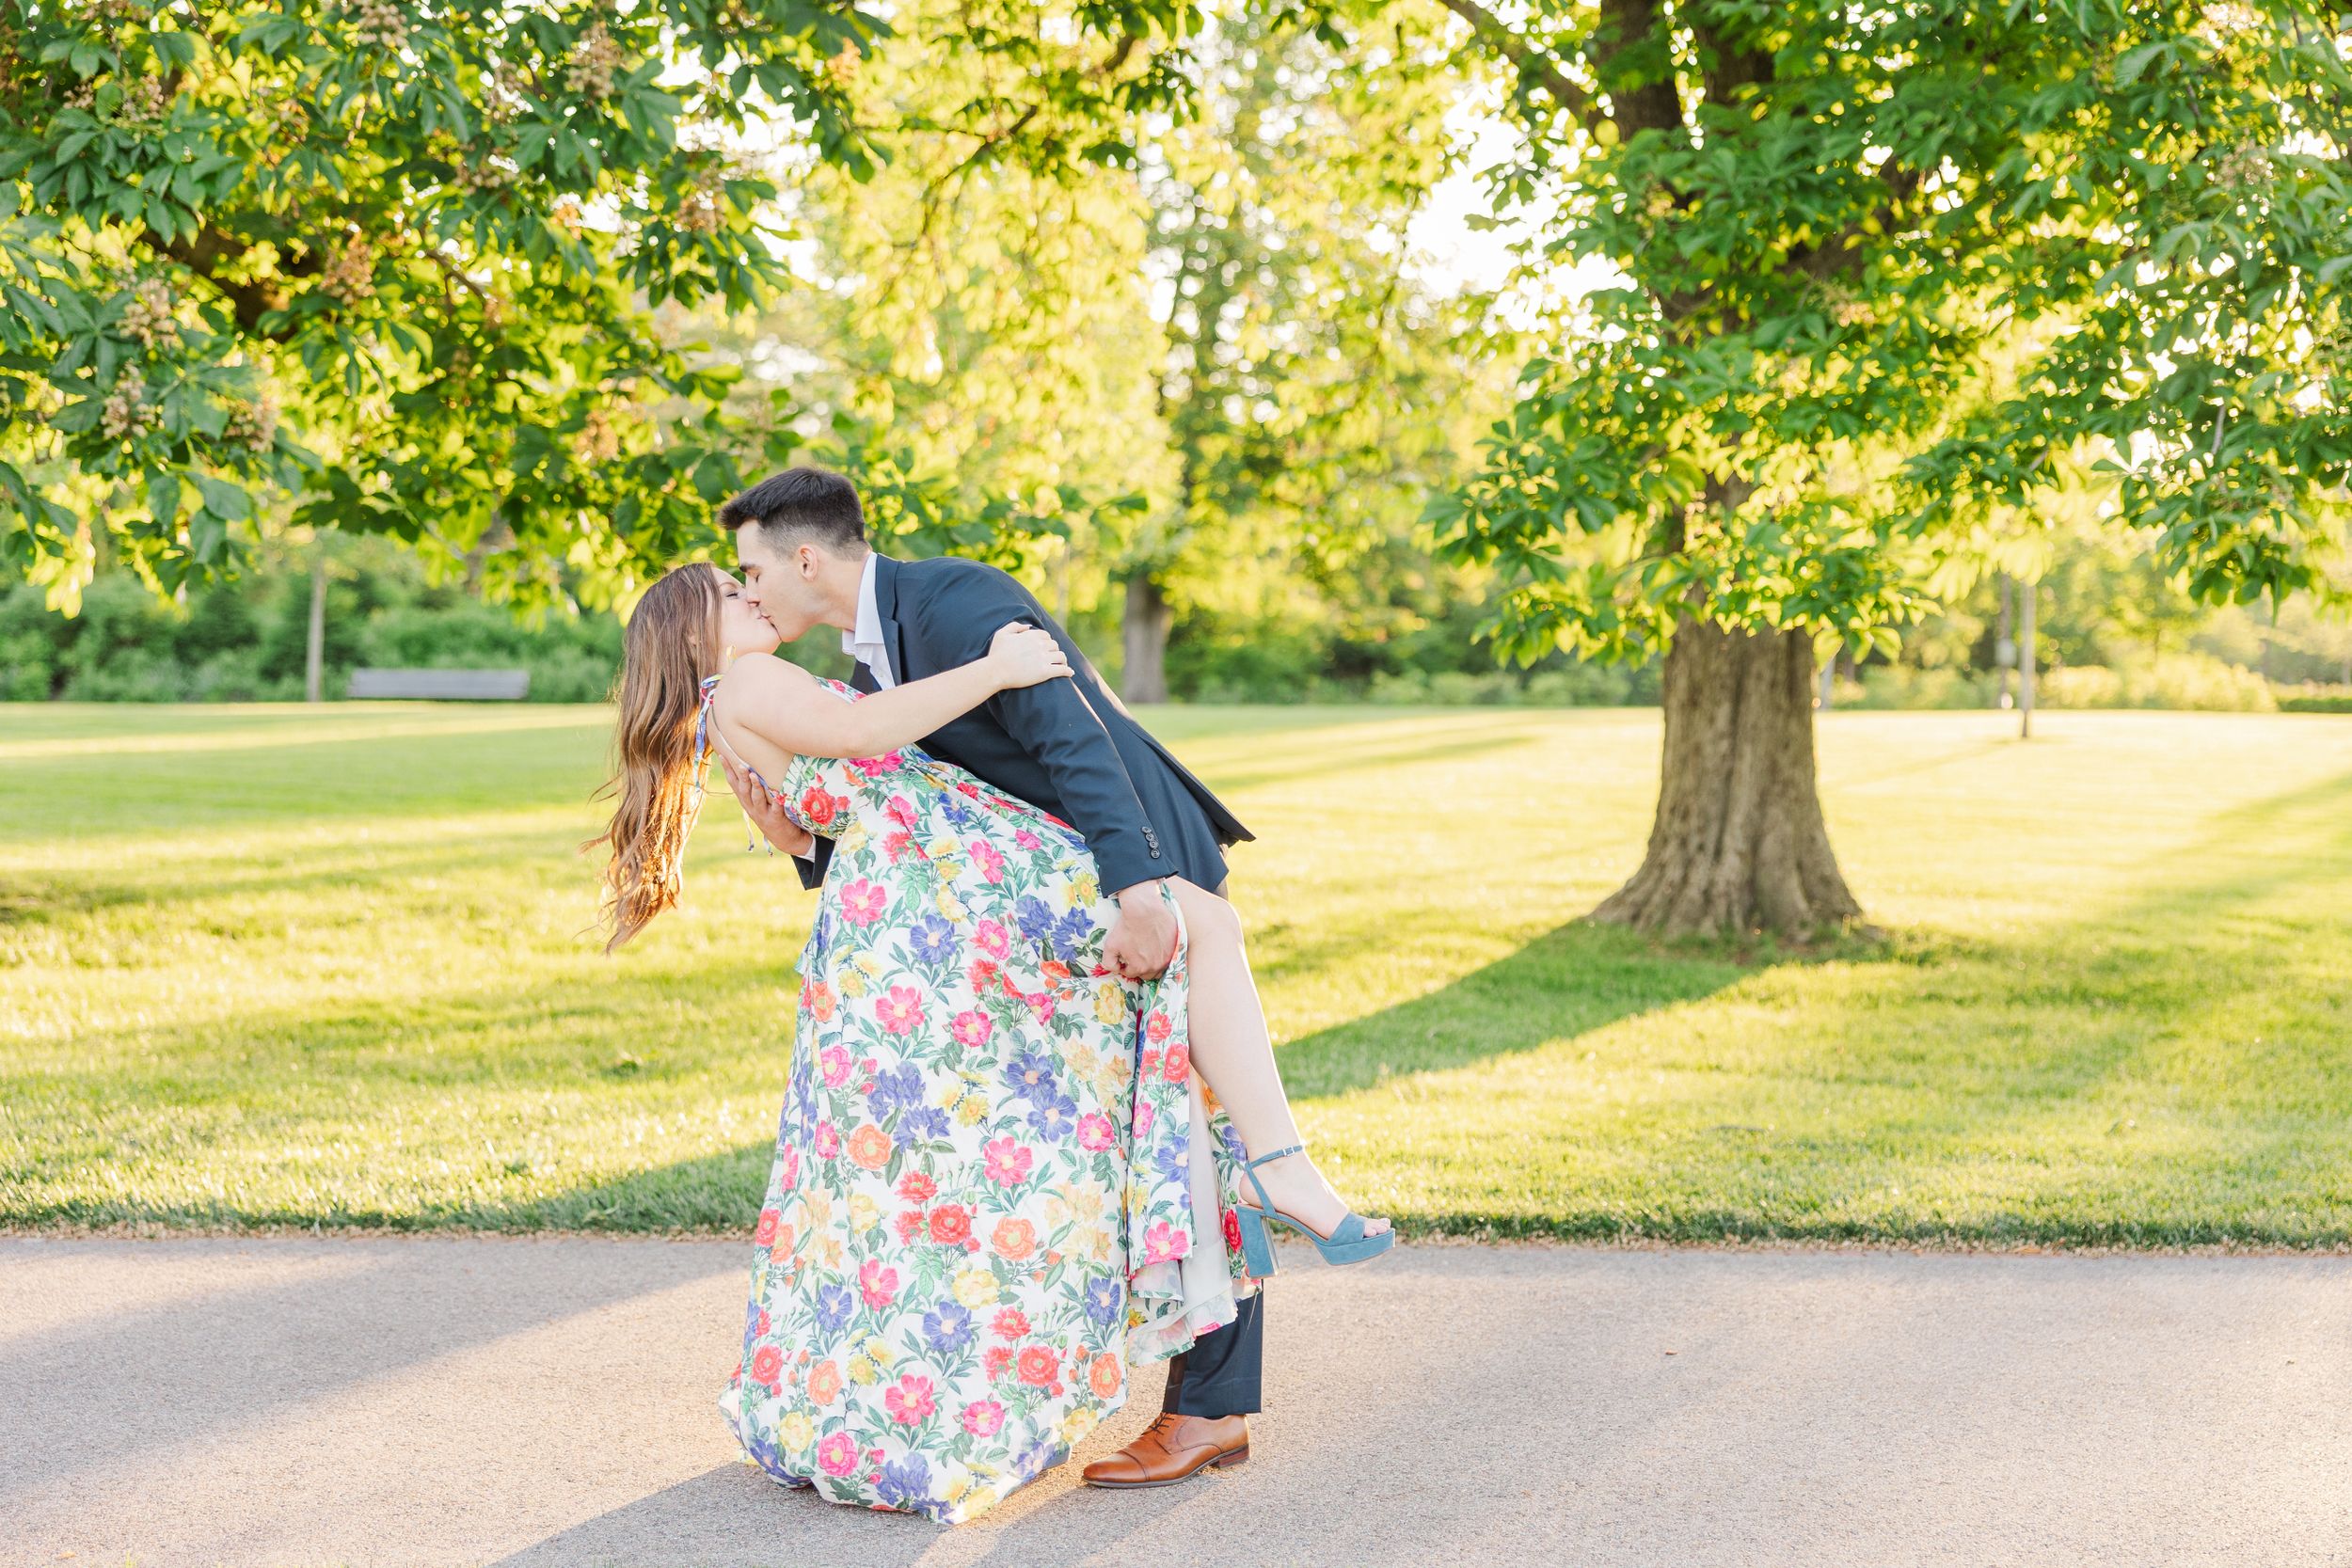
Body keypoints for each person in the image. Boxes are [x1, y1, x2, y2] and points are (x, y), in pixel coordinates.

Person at [716, 466, 1391, 1492]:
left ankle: (1210, 1398)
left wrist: (1138, 889)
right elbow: (909, 801)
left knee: (1190, 1118)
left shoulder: (953, 601)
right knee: (1163, 1124)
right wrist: (799, 841)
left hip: (1126, 859)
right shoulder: (859, 662)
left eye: (752, 570)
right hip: (1048, 892)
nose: (750, 589)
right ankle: (1212, 1389)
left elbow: (1077, 743)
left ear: (804, 557)